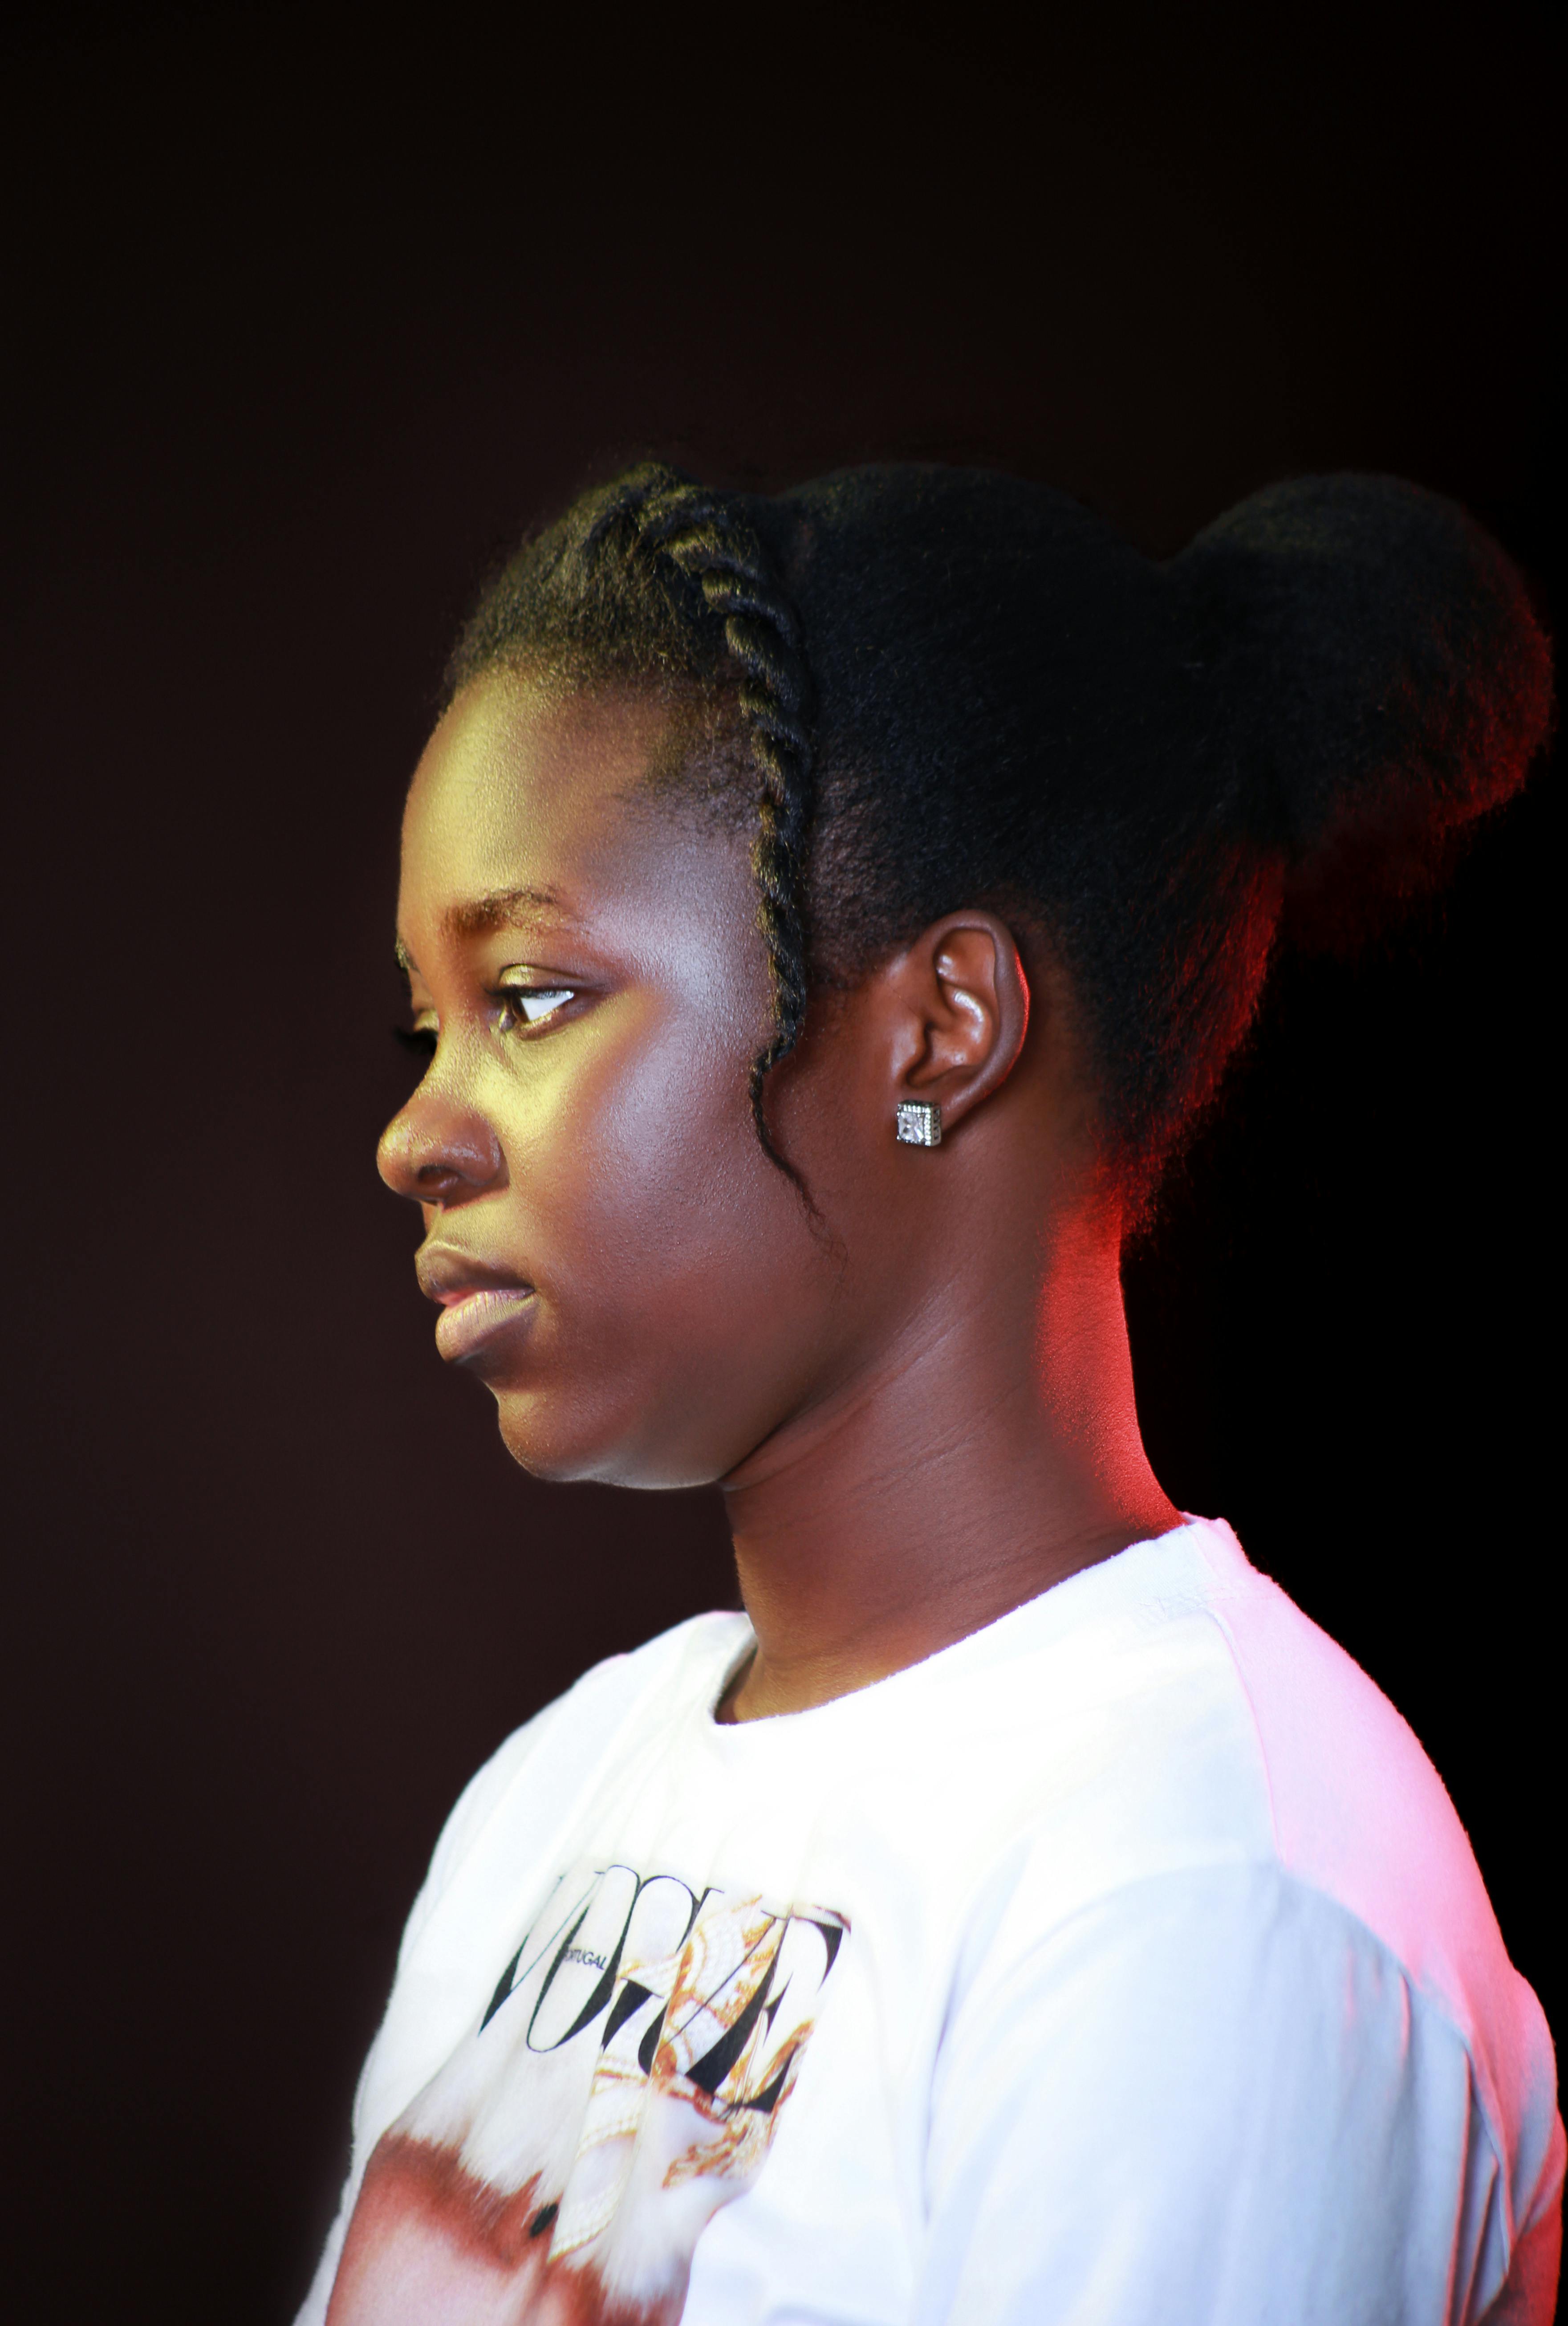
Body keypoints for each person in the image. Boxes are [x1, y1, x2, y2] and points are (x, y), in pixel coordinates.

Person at [297, 463, 1560, 2325]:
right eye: (429, 1025)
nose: (416, 1133)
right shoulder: (557, 1792)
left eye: (534, 996)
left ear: (937, 1037)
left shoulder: (1201, 1888)